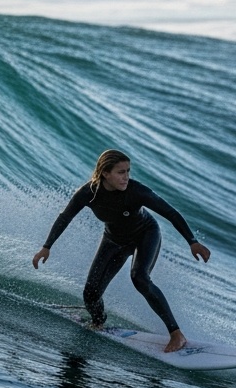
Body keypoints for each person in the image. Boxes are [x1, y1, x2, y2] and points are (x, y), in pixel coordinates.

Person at [31, 149, 211, 353]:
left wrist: (192, 241)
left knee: (140, 278)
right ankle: (98, 322)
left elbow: (170, 212)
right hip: (113, 239)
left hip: (145, 233)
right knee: (91, 293)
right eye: (121, 172)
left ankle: (177, 334)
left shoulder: (136, 191)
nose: (126, 177)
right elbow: (65, 217)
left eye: (128, 171)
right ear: (105, 173)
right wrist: (46, 247)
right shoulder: (88, 193)